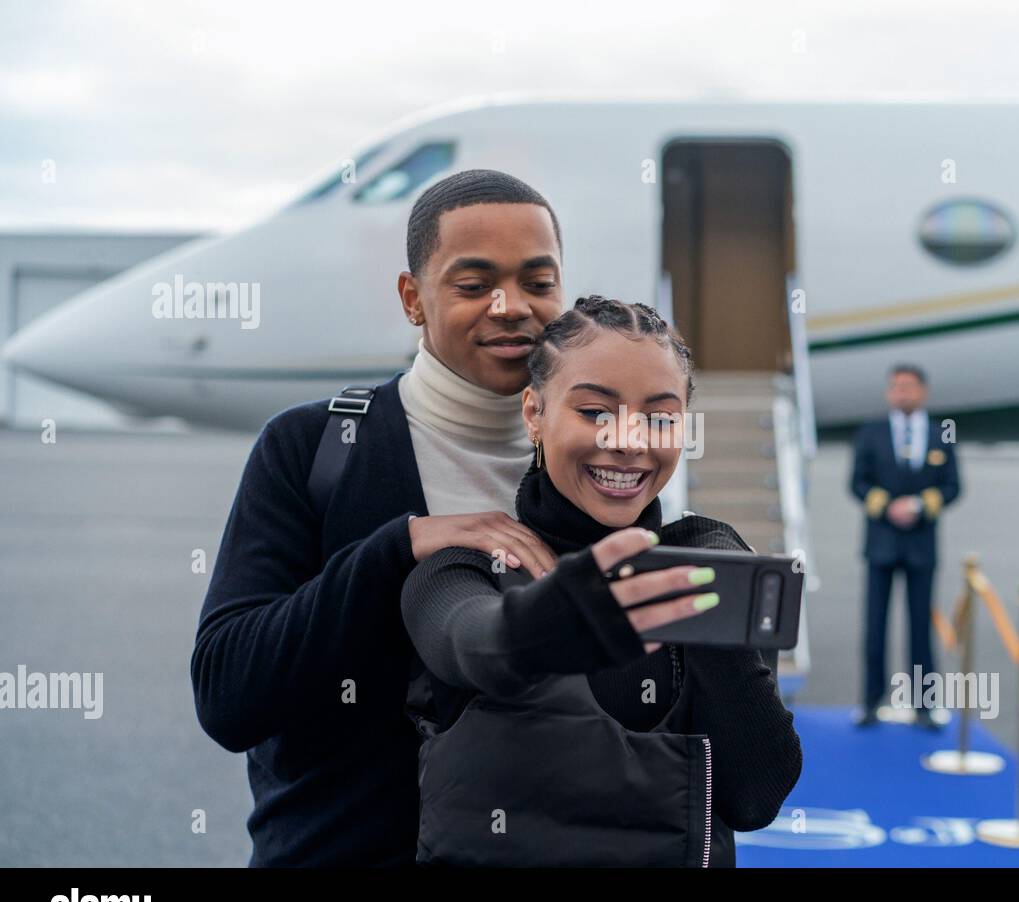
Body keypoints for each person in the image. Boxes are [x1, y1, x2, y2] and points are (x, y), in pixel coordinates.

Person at [191, 169, 569, 866]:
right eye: (473, 283)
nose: (511, 306)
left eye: (538, 283)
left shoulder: (589, 467)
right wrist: (397, 549)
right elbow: (227, 693)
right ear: (412, 298)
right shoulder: (309, 448)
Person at [401, 296, 803, 866]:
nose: (630, 440)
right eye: (595, 411)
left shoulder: (708, 561)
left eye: (660, 418)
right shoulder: (462, 566)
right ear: (534, 412)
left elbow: (754, 796)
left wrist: (708, 608)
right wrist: (557, 614)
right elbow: (474, 641)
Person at [848, 364, 960, 730]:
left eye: (909, 387)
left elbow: (953, 486)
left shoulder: (940, 433)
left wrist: (919, 506)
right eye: (896, 387)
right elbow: (857, 483)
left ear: (923, 391)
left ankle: (924, 705)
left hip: (921, 545)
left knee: (919, 629)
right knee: (875, 628)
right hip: (881, 542)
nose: (903, 393)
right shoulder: (871, 432)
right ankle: (870, 702)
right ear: (888, 392)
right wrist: (885, 505)